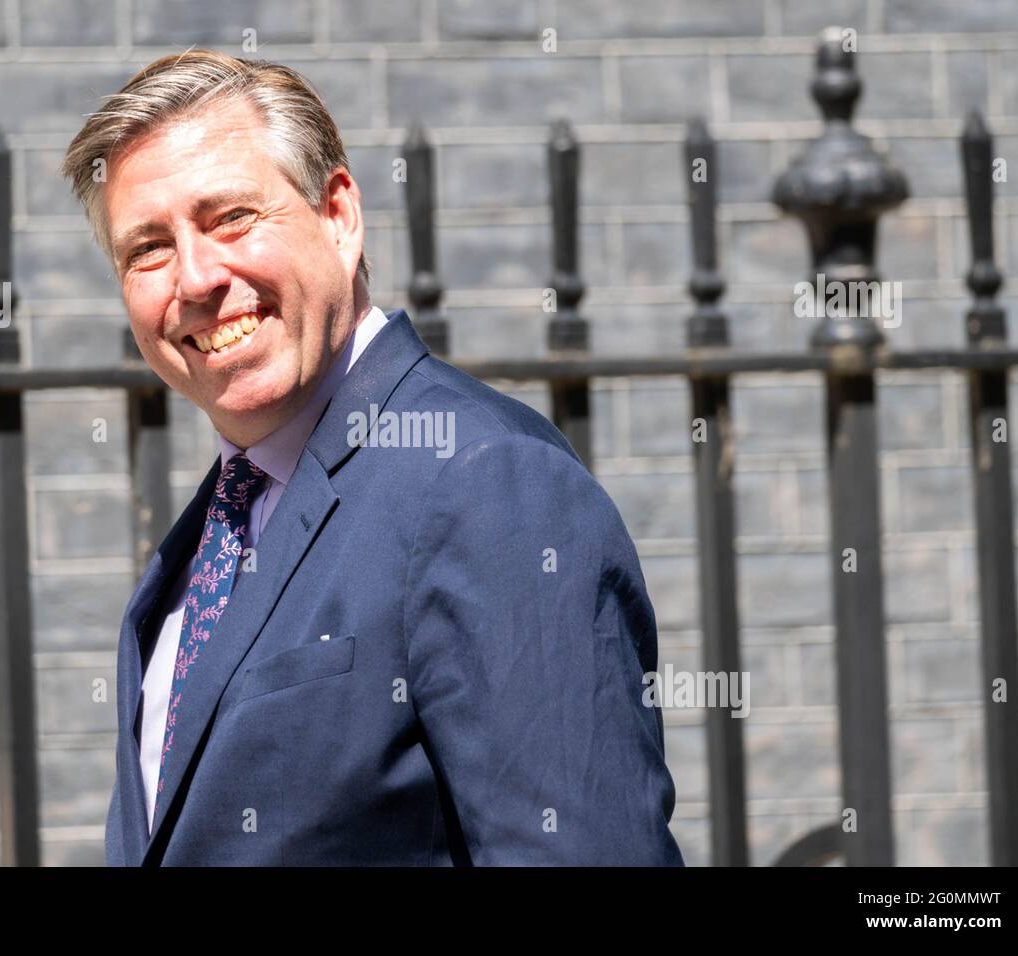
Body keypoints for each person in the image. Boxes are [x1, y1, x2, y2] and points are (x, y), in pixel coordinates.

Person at [62, 49, 684, 866]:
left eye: (230, 219)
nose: (196, 277)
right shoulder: (206, 543)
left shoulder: (487, 485)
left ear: (340, 215)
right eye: (147, 249)